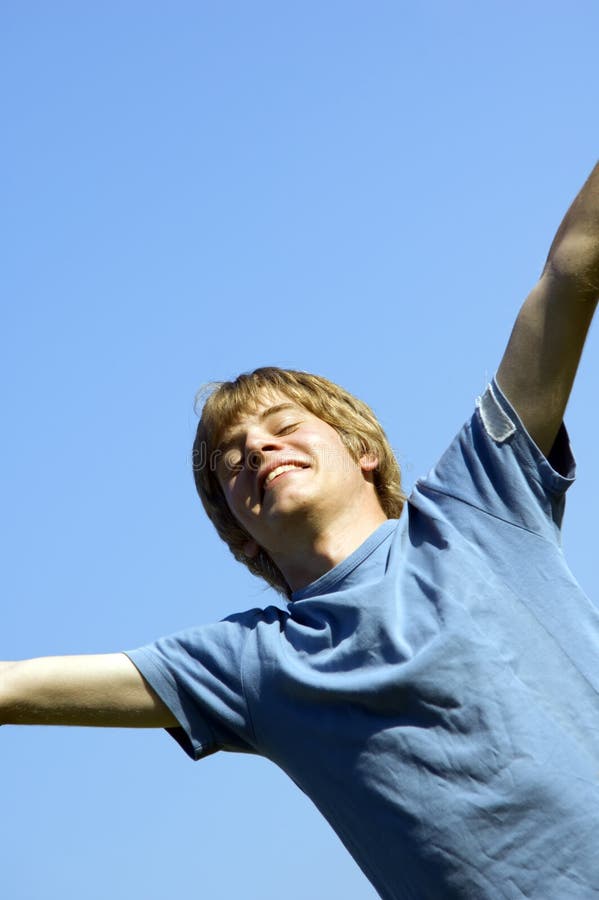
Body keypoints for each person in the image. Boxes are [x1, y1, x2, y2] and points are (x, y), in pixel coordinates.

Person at [1, 162, 598, 899]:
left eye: (282, 428)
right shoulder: (249, 665)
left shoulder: (478, 506)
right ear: (240, 534)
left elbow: (571, 273)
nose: (257, 449)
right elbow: (13, 689)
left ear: (363, 451)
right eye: (233, 459)